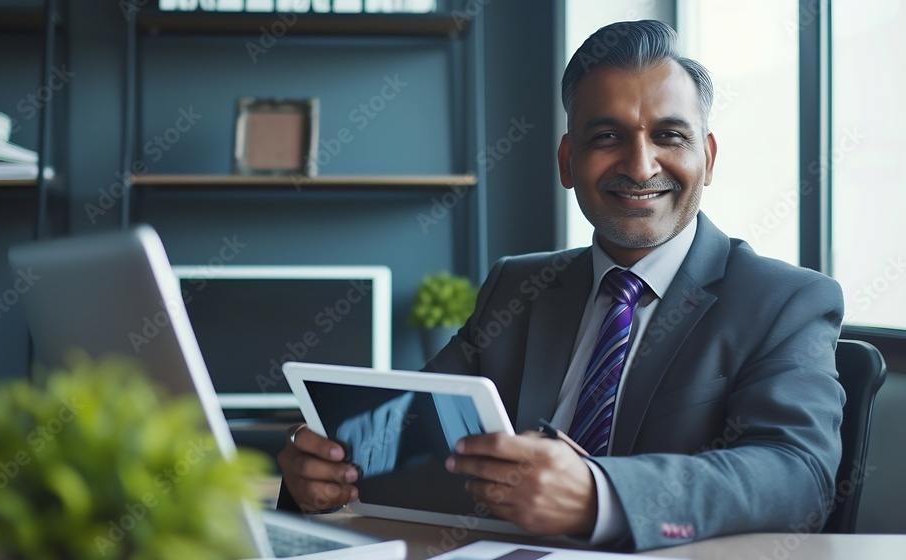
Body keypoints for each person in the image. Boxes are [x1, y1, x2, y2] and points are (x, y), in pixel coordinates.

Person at [276, 19, 845, 551]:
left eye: (670, 136)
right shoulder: (517, 285)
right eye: (607, 137)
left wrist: (602, 494)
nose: (642, 165)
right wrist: (324, 473)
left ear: (708, 157)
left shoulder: (785, 301)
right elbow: (409, 438)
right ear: (568, 162)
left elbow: (798, 476)